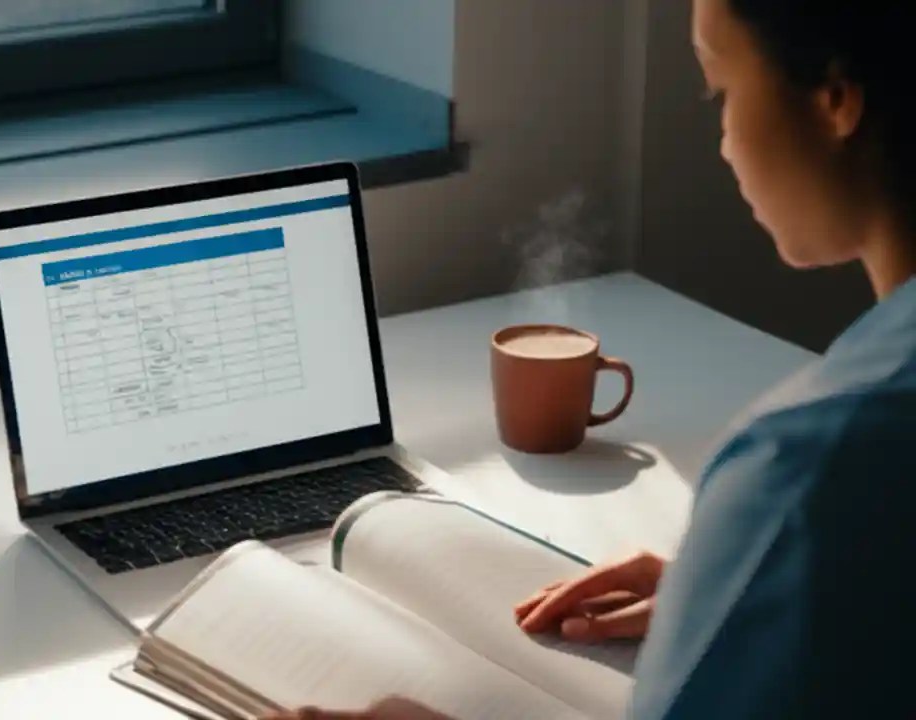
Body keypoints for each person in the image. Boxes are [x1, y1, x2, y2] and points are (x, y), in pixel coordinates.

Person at [270, 0, 916, 717]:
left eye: (721, 90)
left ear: (834, 101)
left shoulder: (812, 465)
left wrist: (773, 559)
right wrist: (769, 595)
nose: (724, 141)